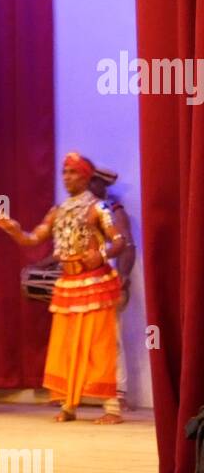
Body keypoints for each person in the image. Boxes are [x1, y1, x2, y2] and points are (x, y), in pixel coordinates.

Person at [0, 153, 127, 424]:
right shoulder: (58, 210)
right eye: (64, 172)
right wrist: (13, 230)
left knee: (99, 345)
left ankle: (112, 408)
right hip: (68, 284)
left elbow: (119, 240)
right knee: (66, 345)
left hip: (95, 282)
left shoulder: (98, 208)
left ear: (86, 177)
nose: (67, 177)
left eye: (73, 172)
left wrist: (102, 254)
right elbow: (33, 239)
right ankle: (69, 404)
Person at [88, 165, 136, 410]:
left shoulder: (114, 210)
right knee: (81, 337)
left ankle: (118, 392)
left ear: (102, 184)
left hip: (108, 282)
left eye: (92, 181)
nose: (88, 185)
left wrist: (123, 275)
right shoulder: (80, 209)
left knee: (111, 338)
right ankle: (77, 392)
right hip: (83, 284)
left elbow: (127, 245)